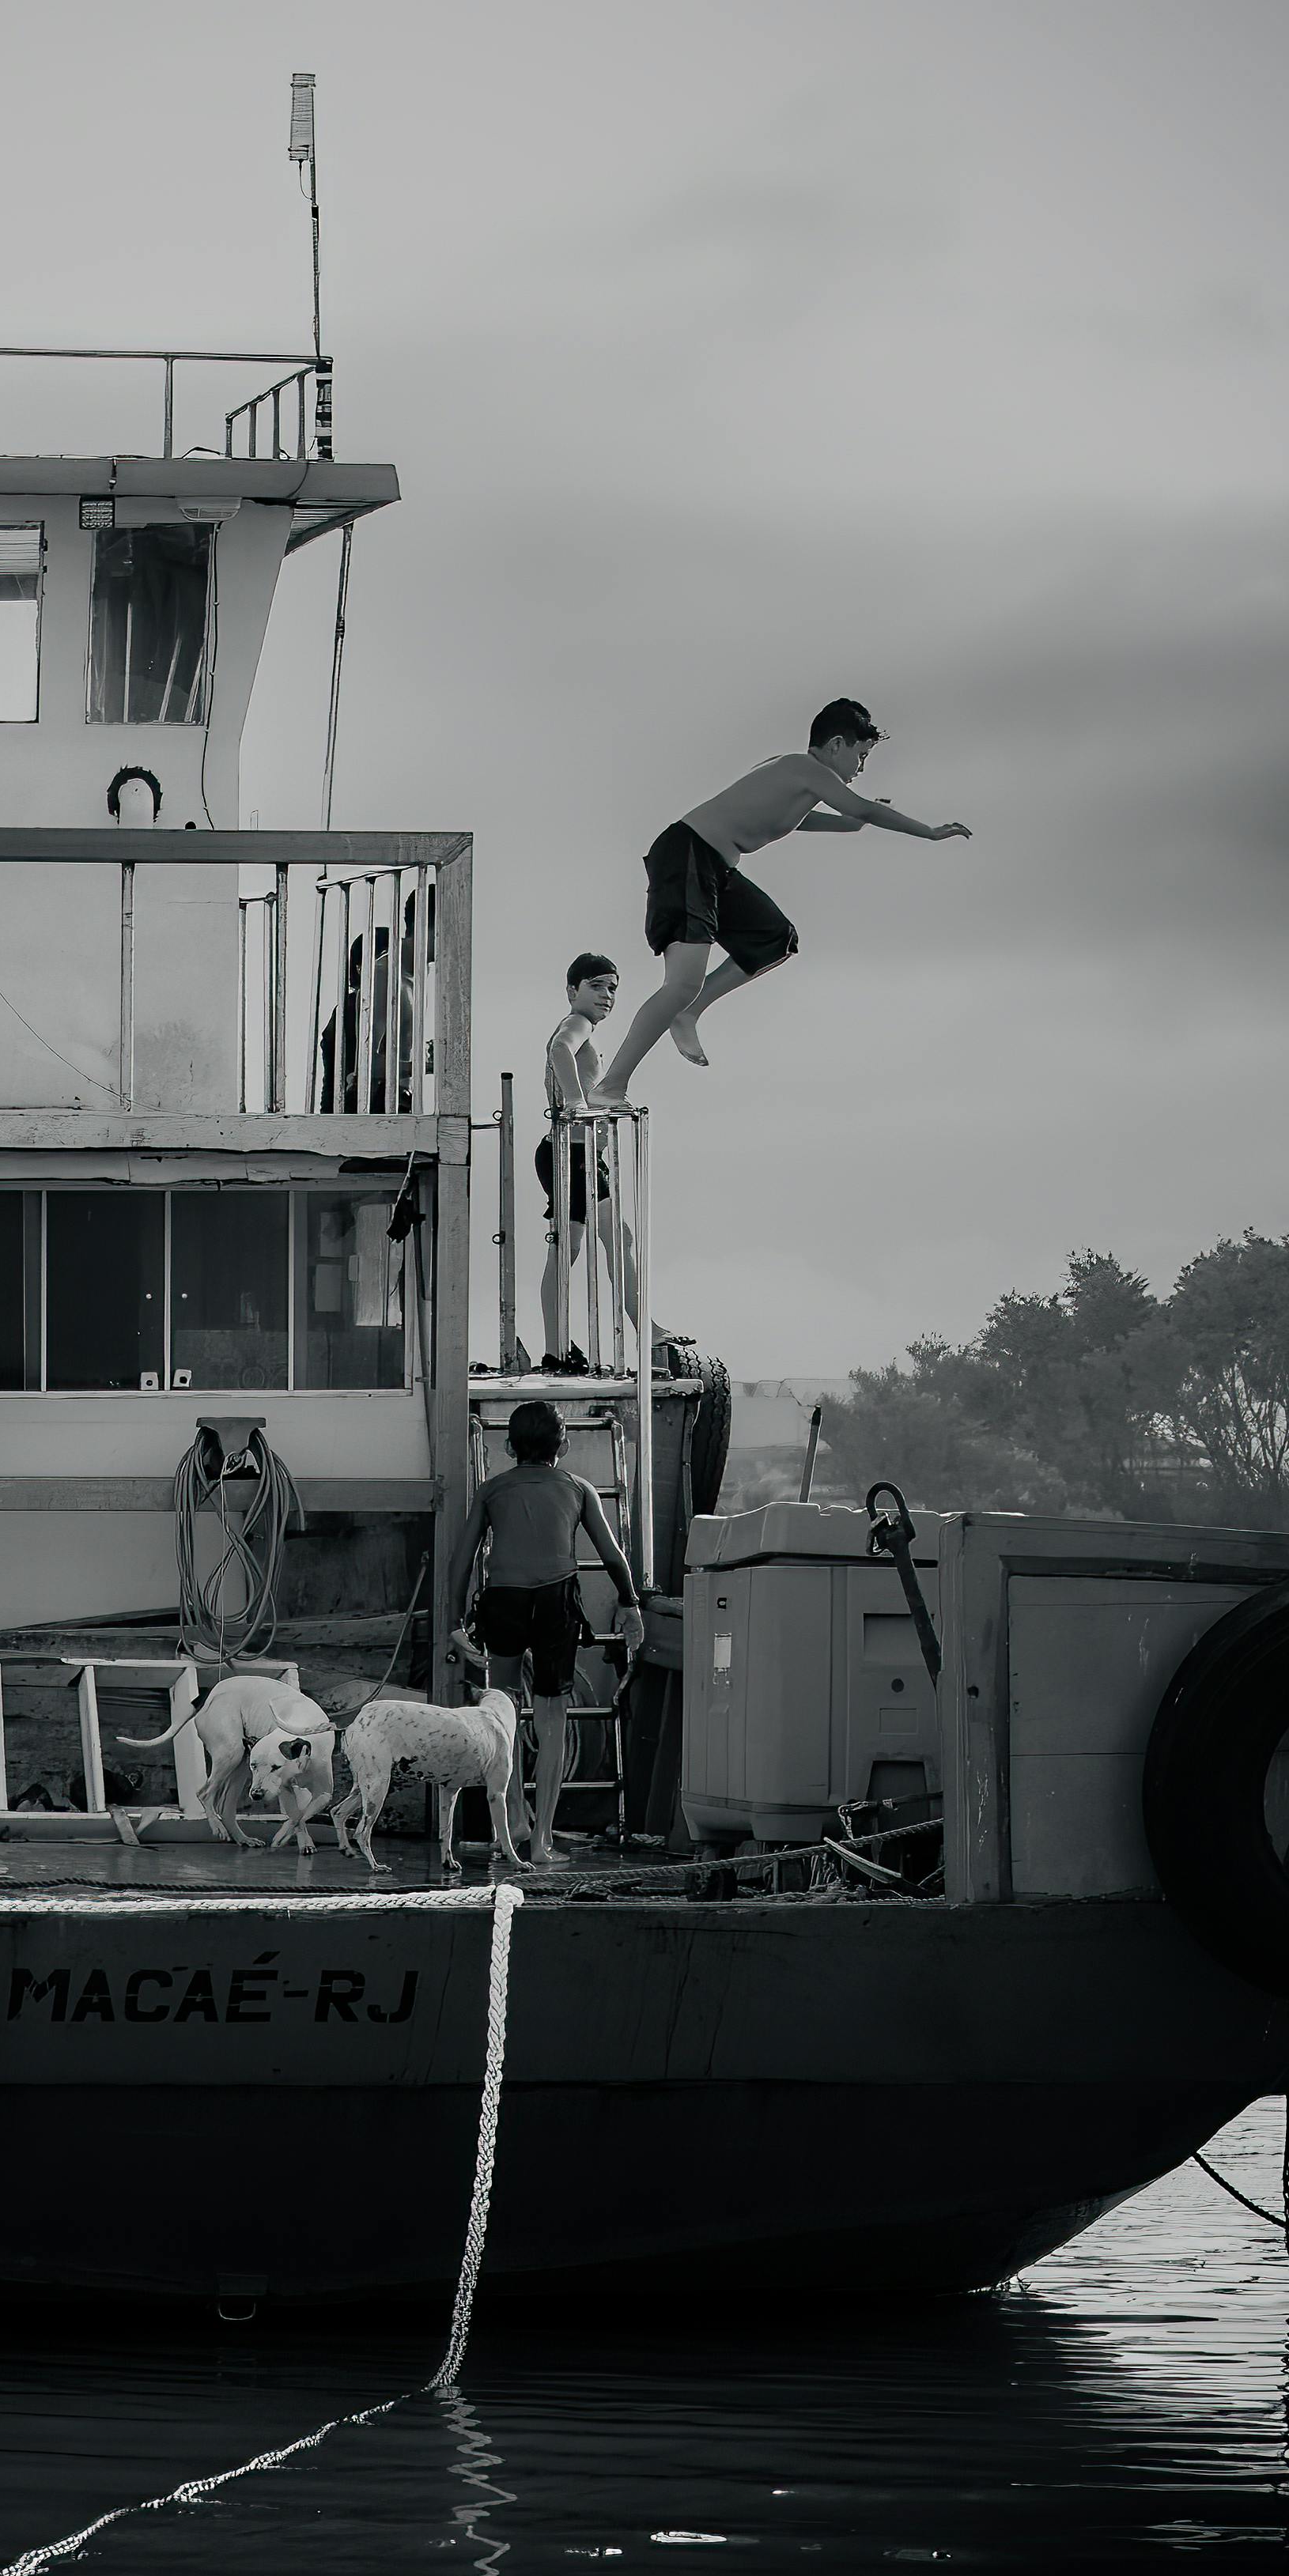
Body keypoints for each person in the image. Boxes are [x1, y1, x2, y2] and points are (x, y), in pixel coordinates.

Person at [600, 697, 973, 1099]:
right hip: (689, 855)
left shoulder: (802, 780)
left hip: (716, 869)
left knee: (774, 938)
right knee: (681, 983)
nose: (861, 769)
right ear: (835, 745)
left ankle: (690, 1011)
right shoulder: (802, 767)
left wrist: (850, 825)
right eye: (860, 756)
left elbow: (799, 818)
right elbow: (864, 809)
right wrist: (929, 832)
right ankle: (612, 1085)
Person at [448, 1399, 646, 1869]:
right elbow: (614, 1556)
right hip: (555, 1600)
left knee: (503, 1714)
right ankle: (541, 1842)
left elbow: (461, 1560)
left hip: (504, 1600)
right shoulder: (579, 1489)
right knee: (552, 1718)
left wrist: (454, 1624)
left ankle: (512, 1823)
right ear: (565, 1443)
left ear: (508, 1446)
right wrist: (631, 1606)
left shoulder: (492, 1489)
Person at [533, 950, 628, 1373]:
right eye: (597, 986)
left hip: (578, 1154)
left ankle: (557, 1349)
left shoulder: (585, 1027)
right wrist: (576, 1103)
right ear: (573, 990)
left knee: (572, 1249)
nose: (606, 996)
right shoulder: (578, 1024)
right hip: (570, 1153)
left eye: (612, 989)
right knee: (611, 1237)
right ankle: (646, 1329)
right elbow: (559, 1049)